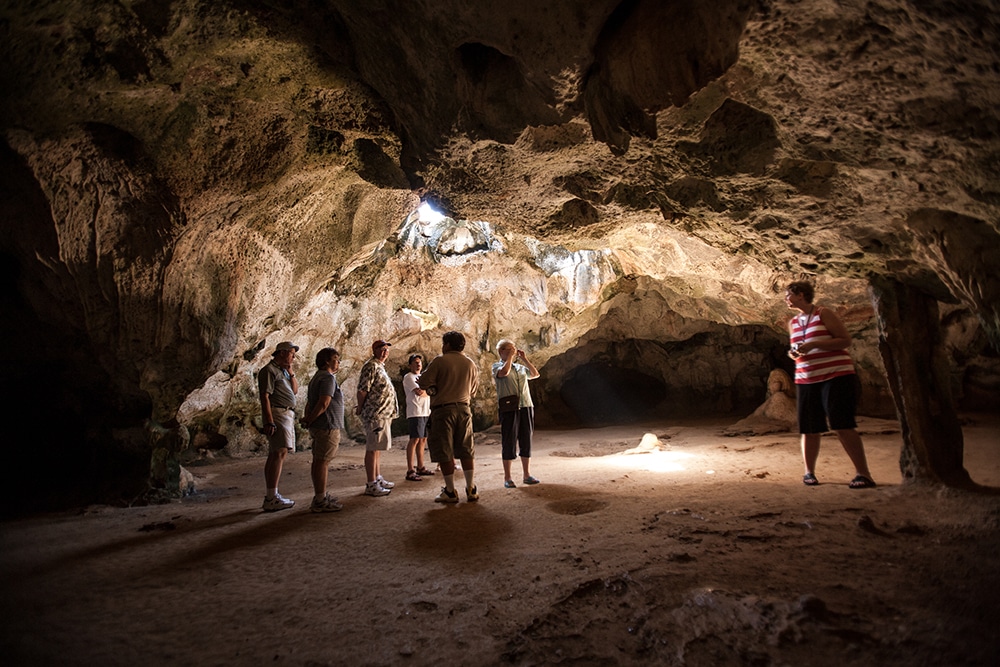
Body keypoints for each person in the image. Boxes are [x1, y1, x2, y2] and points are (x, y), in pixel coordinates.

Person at [785, 281, 876, 489]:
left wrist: (816, 344)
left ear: (800, 295)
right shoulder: (793, 323)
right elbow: (795, 348)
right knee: (809, 428)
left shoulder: (823, 314)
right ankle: (809, 472)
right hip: (806, 378)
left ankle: (863, 473)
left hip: (835, 376)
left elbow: (845, 340)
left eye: (788, 295)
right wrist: (793, 353)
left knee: (842, 424)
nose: (785, 299)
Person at [418, 331, 480, 503]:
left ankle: (450, 491)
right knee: (466, 449)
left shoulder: (440, 360)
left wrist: (436, 389)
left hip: (443, 410)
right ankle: (471, 488)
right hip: (464, 409)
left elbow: (423, 382)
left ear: (448, 345)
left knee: (444, 449)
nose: (442, 346)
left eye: (443, 343)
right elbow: (473, 391)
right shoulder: (470, 363)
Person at [300, 347, 345, 513]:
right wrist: (311, 419)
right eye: (336, 358)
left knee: (319, 460)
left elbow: (310, 402)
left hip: (321, 425)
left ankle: (320, 496)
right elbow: (324, 402)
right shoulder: (327, 378)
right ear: (327, 360)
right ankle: (320, 500)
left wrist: (308, 419)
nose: (338, 362)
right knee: (322, 462)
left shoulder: (317, 377)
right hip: (327, 425)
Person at [492, 339, 541, 488]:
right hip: (509, 409)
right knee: (509, 441)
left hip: (525, 406)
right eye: (509, 349)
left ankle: (526, 474)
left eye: (514, 349)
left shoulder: (520, 368)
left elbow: (535, 374)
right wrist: (510, 358)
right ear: (501, 351)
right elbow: (505, 373)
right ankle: (508, 477)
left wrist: (524, 359)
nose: (513, 351)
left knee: (526, 439)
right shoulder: (497, 366)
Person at [258, 341, 299, 511]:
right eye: (291, 353)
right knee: (279, 452)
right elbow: (265, 397)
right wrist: (269, 420)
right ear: (281, 353)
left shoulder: (282, 371)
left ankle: (271, 495)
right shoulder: (268, 371)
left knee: (277, 453)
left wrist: (291, 372)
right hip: (278, 414)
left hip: (285, 414)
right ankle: (271, 497)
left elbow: (295, 390)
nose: (293, 356)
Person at [356, 339, 399, 497]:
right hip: (375, 412)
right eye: (381, 349)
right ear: (374, 350)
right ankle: (371, 483)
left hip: (383, 413)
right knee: (372, 448)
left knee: (377, 448)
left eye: (387, 349)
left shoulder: (380, 366)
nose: (385, 352)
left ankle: (377, 477)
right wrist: (360, 407)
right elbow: (363, 390)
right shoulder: (371, 366)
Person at [402, 354, 435, 481]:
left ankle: (421, 467)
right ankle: (410, 470)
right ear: (410, 365)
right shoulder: (409, 377)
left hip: (426, 412)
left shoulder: (421, 377)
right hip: (415, 412)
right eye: (415, 362)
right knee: (414, 439)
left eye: (419, 362)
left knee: (423, 440)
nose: (418, 364)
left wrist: (429, 391)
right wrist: (431, 391)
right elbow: (420, 392)